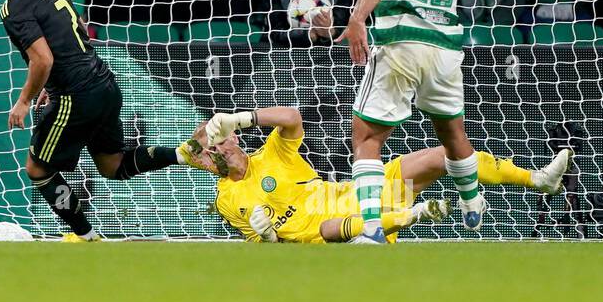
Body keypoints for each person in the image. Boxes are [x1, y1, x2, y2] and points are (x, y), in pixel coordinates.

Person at [0, 0, 243, 243]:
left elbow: (43, 59)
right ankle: (183, 154)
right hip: (104, 84)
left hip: (76, 95)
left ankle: (87, 237)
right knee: (112, 165)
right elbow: (76, 33)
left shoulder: (13, 6)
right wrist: (47, 87)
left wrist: (24, 100)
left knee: (38, 170)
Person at [337, 0, 532, 243]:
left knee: (367, 138)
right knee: (452, 133)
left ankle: (373, 228)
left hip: (402, 40)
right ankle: (472, 201)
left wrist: (359, 15)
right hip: (445, 47)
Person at [205, 105, 572, 243]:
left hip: (365, 190)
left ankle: (537, 180)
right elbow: (260, 247)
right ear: (211, 158)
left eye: (226, 138)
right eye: (216, 146)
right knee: (336, 229)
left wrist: (243, 117)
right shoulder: (227, 198)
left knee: (444, 155)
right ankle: (411, 216)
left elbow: (292, 118)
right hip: (334, 229)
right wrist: (268, 239)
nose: (226, 146)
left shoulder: (271, 153)